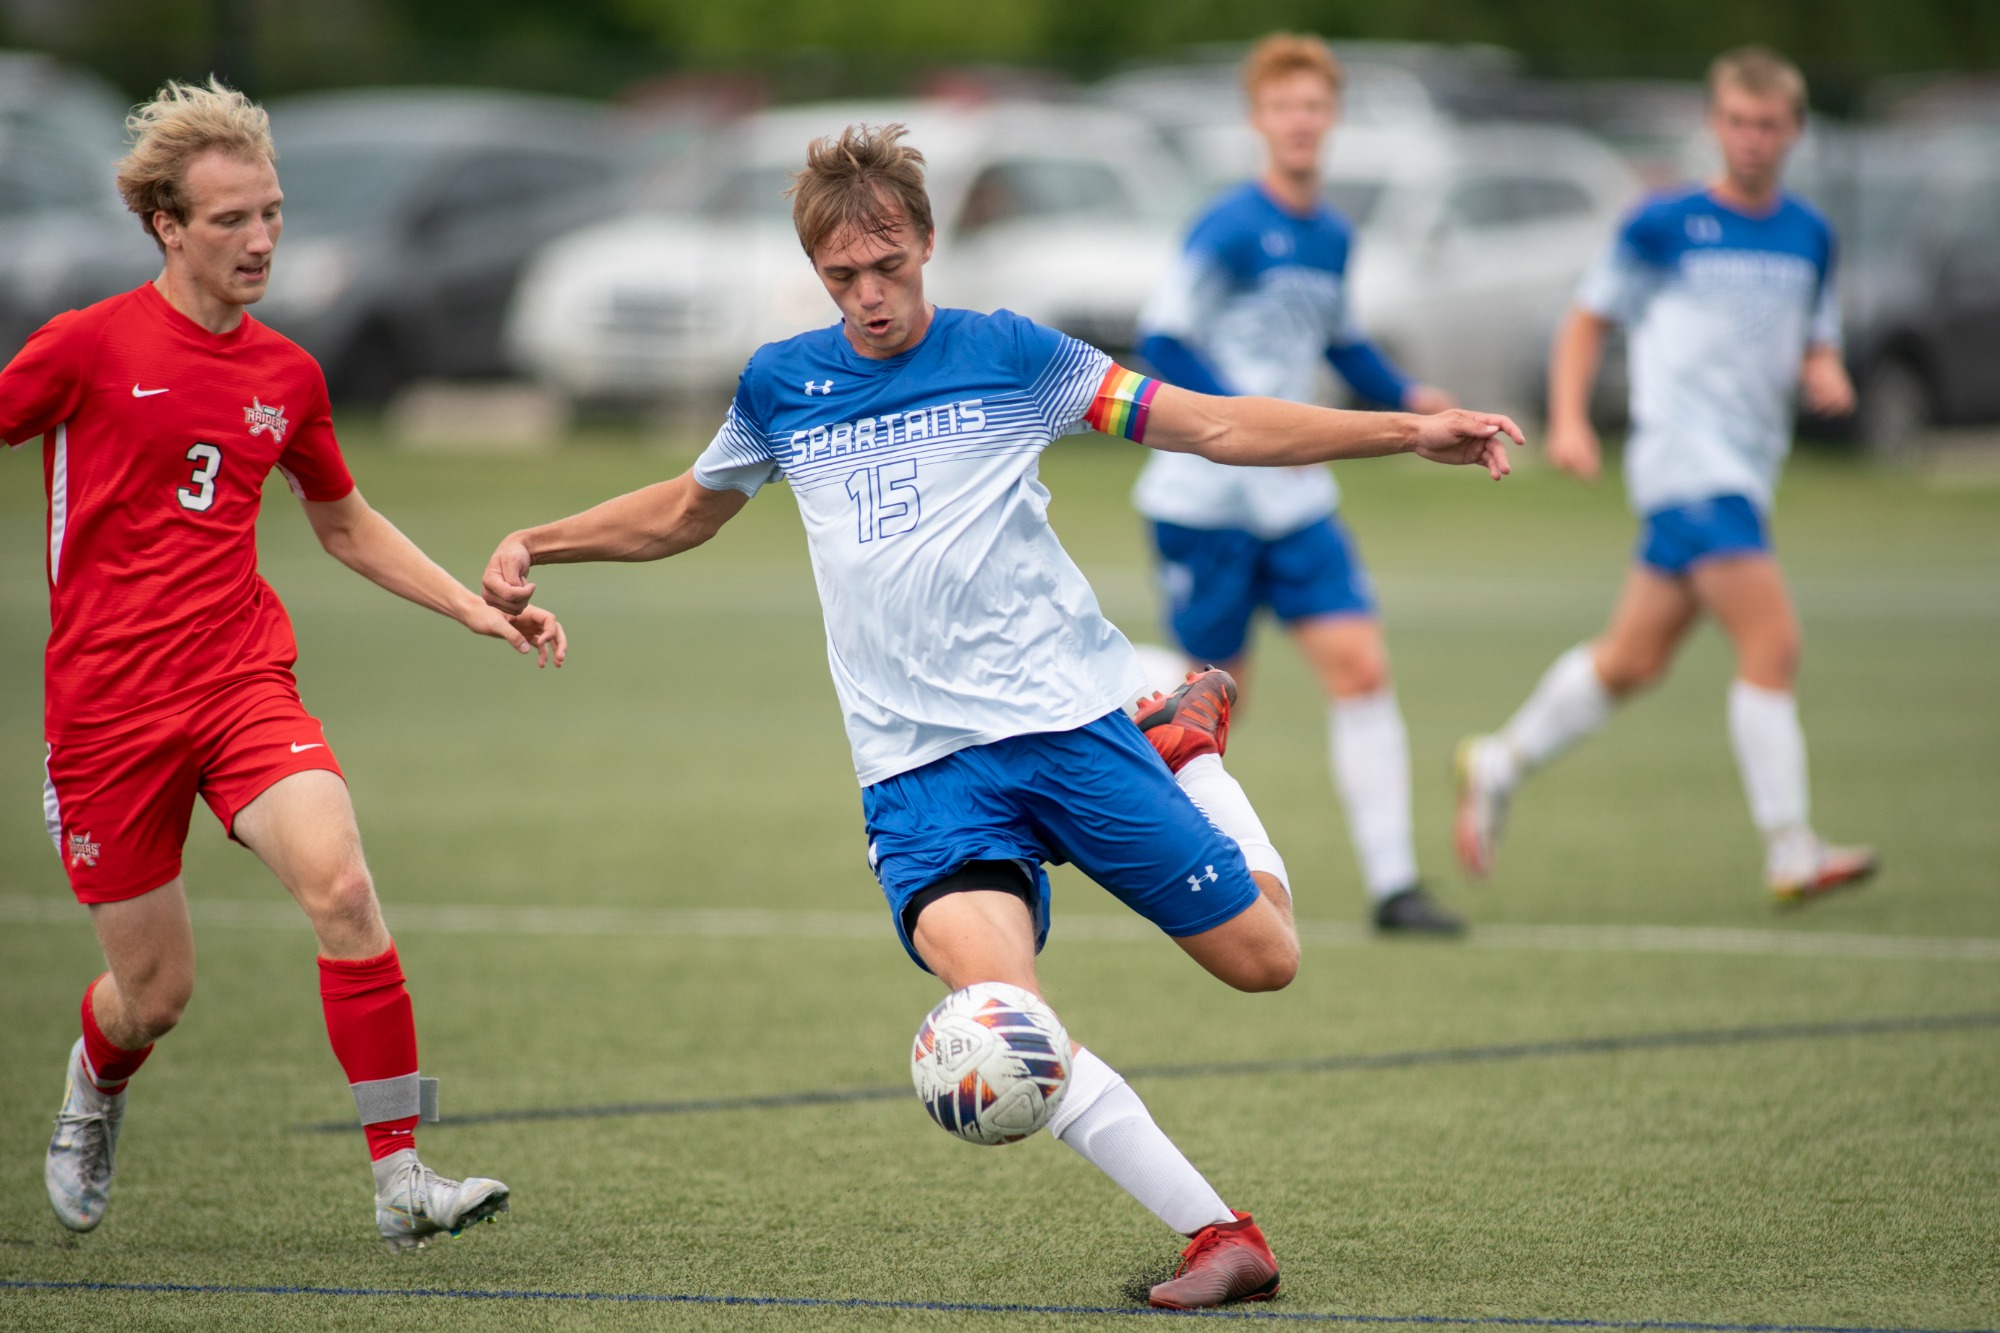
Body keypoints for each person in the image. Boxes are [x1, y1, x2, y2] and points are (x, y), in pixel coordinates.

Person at [481, 123, 1518, 1308]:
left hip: (1070, 726)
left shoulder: (1014, 355)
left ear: (929, 241)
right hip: (920, 776)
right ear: (815, 273)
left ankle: (1185, 756)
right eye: (841, 278)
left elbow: (1214, 424)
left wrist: (1406, 429)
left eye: (888, 268)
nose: (869, 298)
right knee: (1003, 1021)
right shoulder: (781, 384)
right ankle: (1220, 1236)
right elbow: (683, 509)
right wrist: (536, 542)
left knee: (1265, 961)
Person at [6, 79, 566, 1251]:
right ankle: (93, 1090)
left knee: (345, 887)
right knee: (154, 996)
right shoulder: (87, 347)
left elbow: (344, 521)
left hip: (240, 685)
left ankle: (400, 1177)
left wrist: (475, 608)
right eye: (229, 220)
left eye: (270, 212)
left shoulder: (287, 375)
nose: (260, 238)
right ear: (165, 224)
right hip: (104, 715)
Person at [1453, 47, 1876, 902]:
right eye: (1737, 122)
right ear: (1715, 126)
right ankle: (1789, 846)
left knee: (1632, 660)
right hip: (1688, 461)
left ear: (1793, 131)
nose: (1752, 139)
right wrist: (1570, 420)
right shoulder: (1663, 224)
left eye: (1769, 124)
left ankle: (1500, 759)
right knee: (1773, 642)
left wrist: (1824, 367)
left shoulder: (1810, 234)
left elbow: (1814, 332)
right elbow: (1586, 320)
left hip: (1747, 467)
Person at [1131, 34, 1463, 934]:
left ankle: (1395, 887)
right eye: (1285, 107)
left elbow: (1341, 341)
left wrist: (1408, 398)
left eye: (1315, 106)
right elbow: (1161, 338)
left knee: (1361, 668)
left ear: (1332, 118)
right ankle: (1112, 706)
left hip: (1298, 499)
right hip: (1208, 503)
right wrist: (1238, 420)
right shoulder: (1229, 227)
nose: (1301, 122)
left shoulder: (1331, 235)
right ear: (1258, 120)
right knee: (1206, 697)